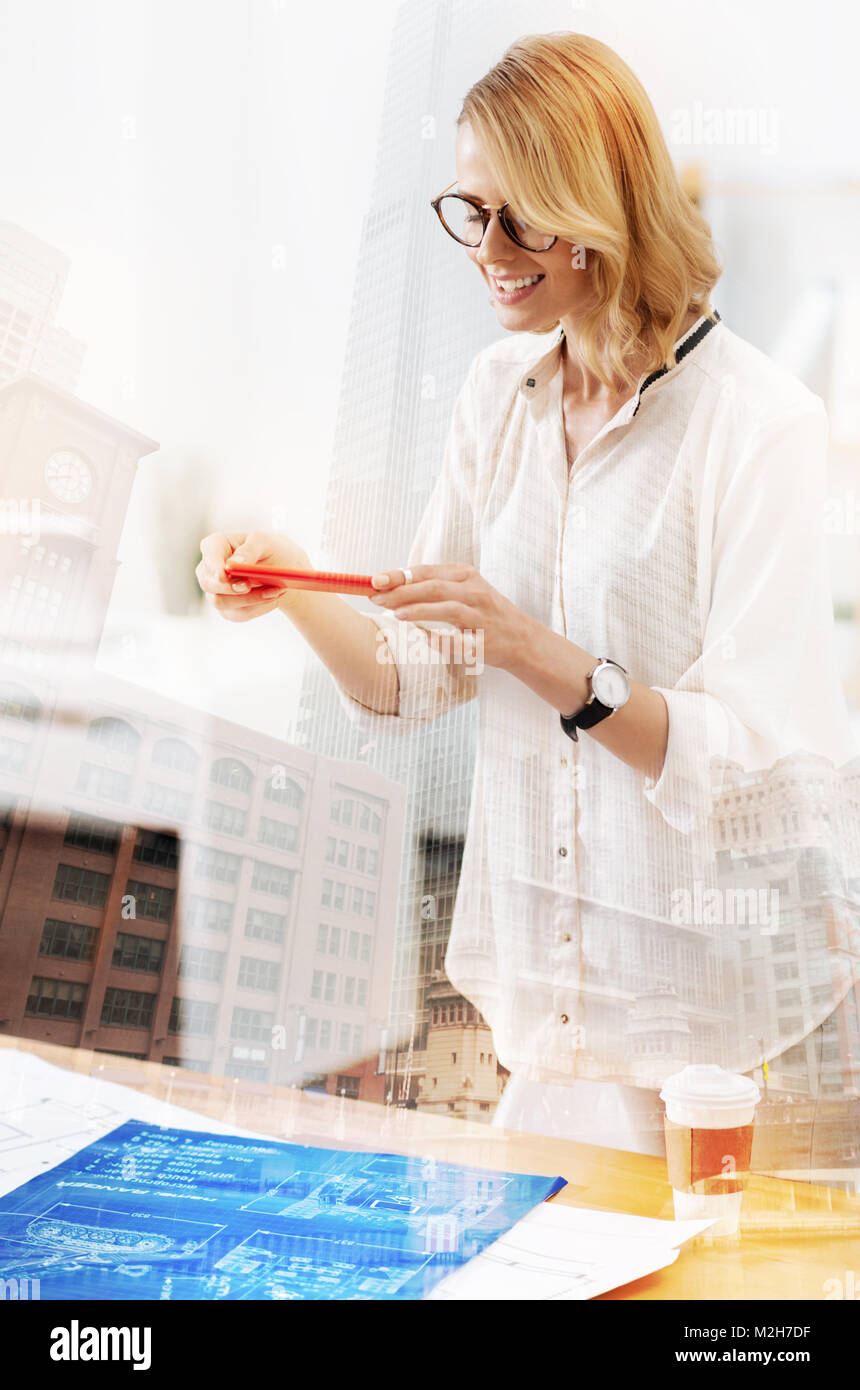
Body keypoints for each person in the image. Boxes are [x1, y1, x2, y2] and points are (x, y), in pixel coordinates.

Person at [196, 34, 858, 1156]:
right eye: (471, 212)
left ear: (601, 205)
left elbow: (750, 771)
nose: (489, 252)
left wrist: (527, 648)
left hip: (714, 1041)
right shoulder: (497, 394)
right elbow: (409, 678)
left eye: (522, 219)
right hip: (548, 1026)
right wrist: (290, 580)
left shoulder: (762, 430)